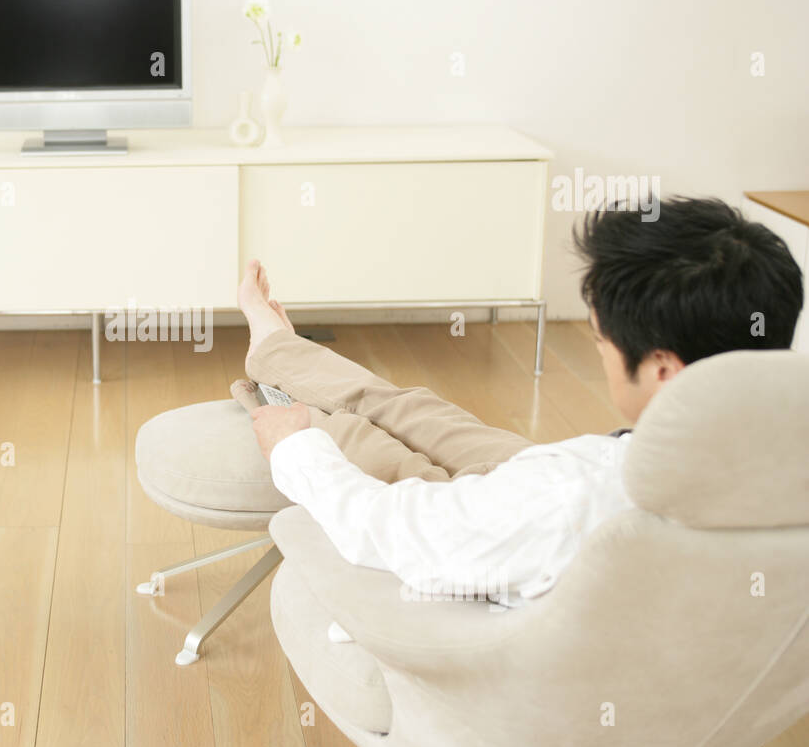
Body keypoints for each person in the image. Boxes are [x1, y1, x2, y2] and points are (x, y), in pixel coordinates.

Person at [240, 196, 804, 607]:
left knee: (371, 445)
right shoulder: (781, 456)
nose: (599, 354)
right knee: (417, 409)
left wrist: (296, 451)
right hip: (576, 475)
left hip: (514, 540)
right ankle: (279, 348)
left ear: (661, 368)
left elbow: (387, 530)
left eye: (600, 342)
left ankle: (287, 387)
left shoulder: (572, 499)